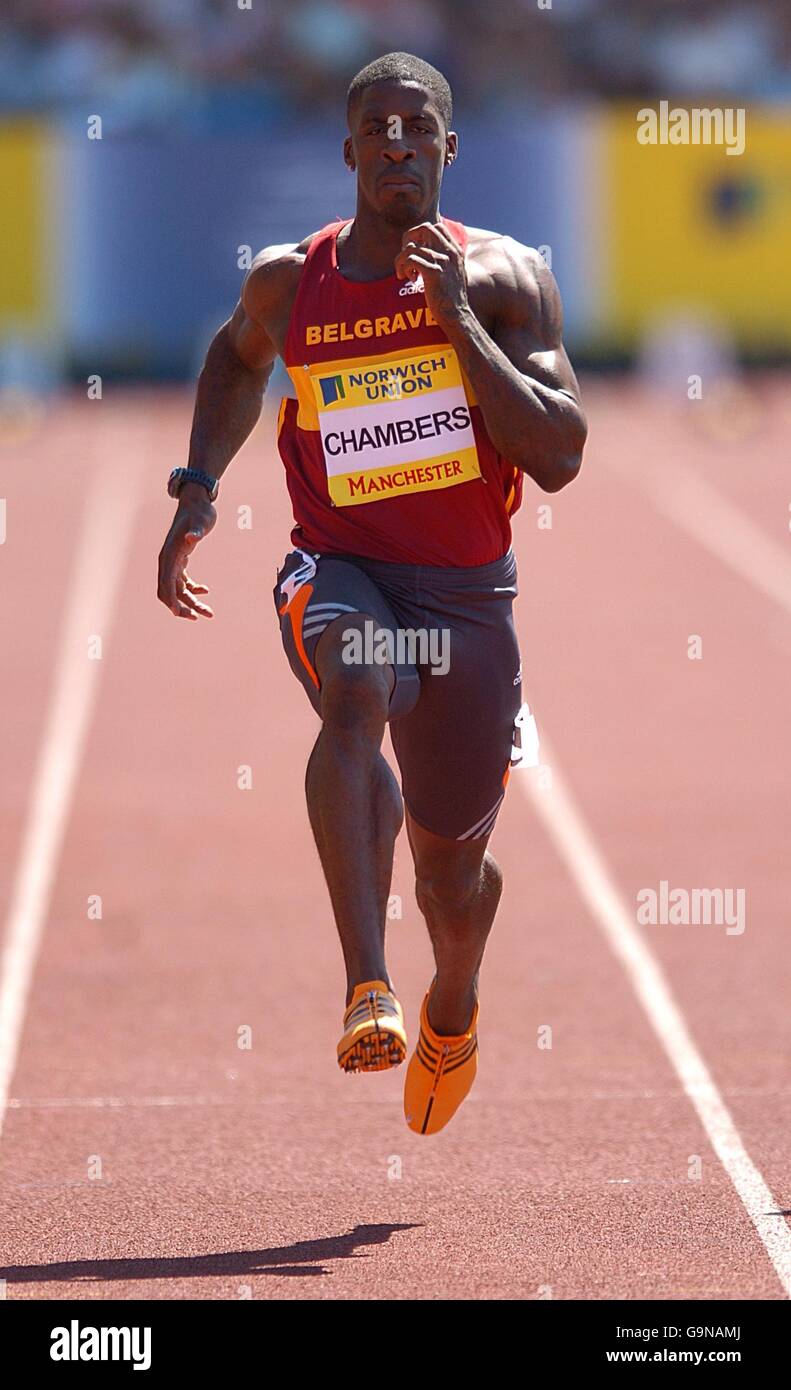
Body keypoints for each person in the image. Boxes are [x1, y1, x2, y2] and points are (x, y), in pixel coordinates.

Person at [157, 52, 586, 1135]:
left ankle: (450, 999)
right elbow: (232, 363)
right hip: (337, 564)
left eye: (417, 127)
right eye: (377, 128)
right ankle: (367, 986)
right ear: (348, 151)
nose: (397, 143)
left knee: (453, 880)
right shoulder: (289, 281)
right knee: (357, 685)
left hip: (466, 599)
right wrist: (198, 488)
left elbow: (561, 454)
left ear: (447, 147)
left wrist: (458, 327)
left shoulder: (502, 279)